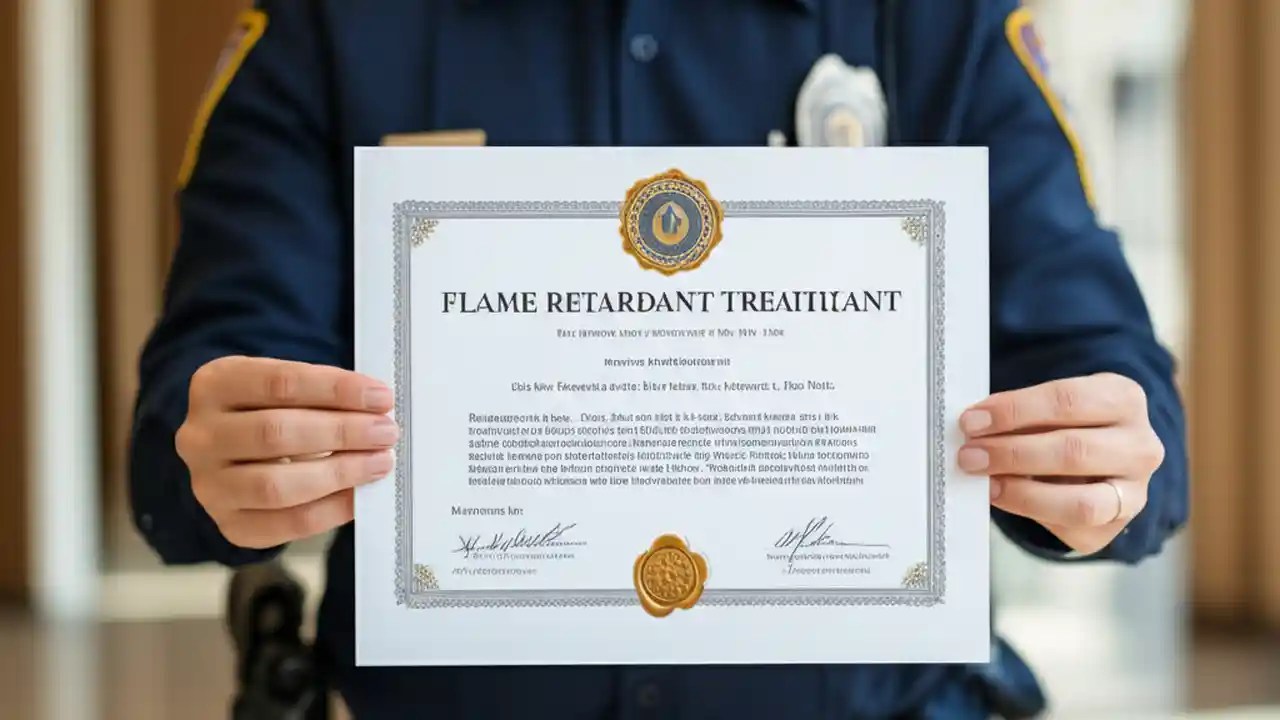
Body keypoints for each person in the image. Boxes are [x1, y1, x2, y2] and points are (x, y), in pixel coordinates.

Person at [129, 1, 1189, 718]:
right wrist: (223, 454)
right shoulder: (334, 22)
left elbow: (1110, 382)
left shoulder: (932, 18)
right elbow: (187, 415)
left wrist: (1097, 459)